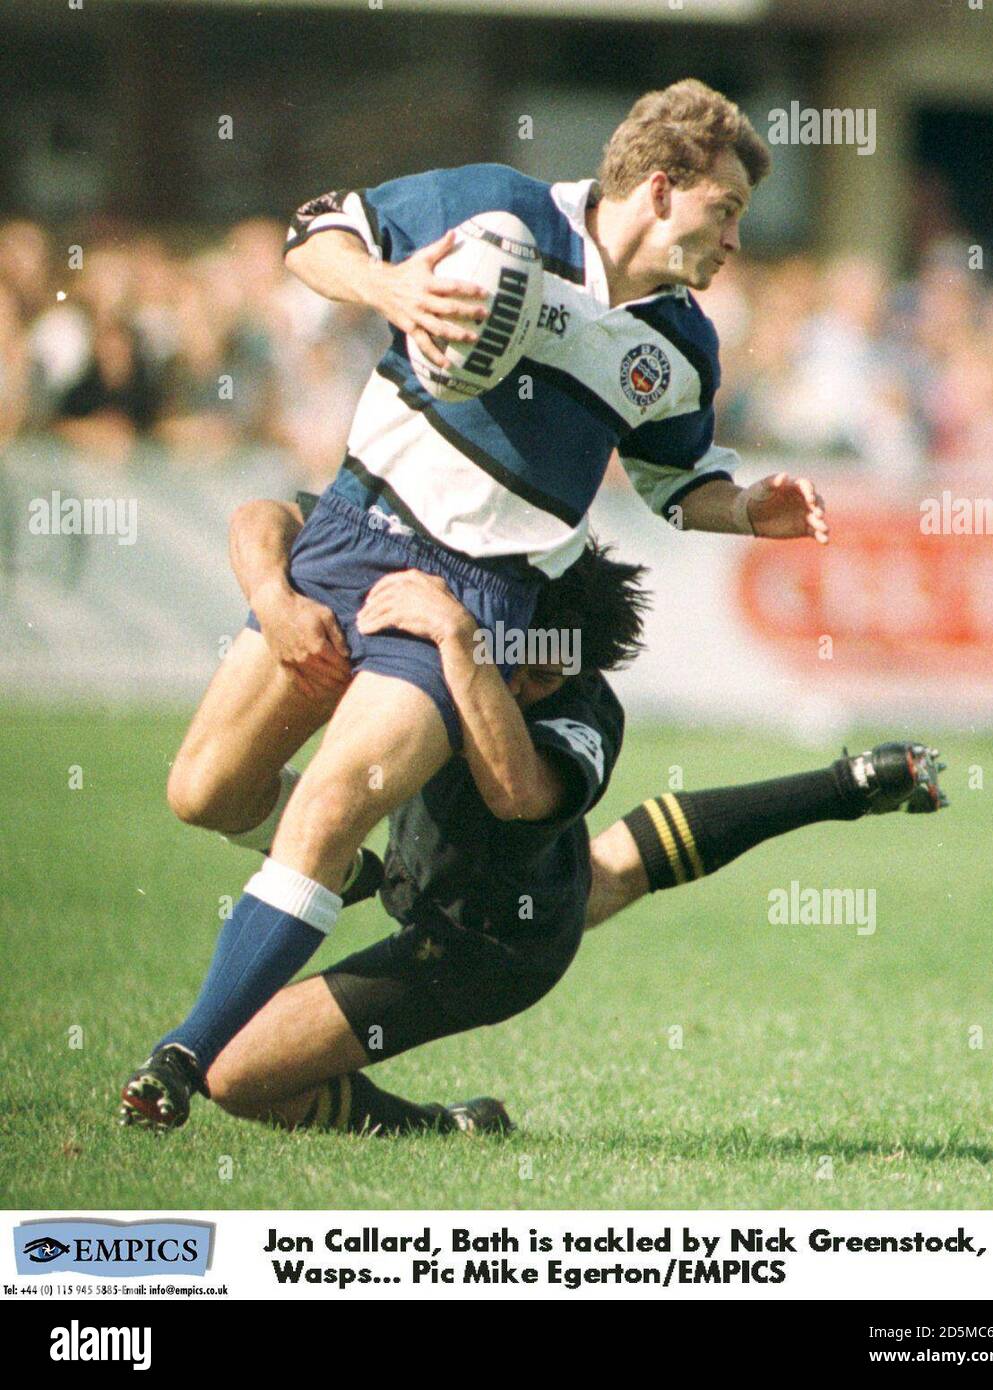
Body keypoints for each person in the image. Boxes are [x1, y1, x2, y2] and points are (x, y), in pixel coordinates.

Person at [120, 79, 830, 1128]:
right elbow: (314, 233)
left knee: (321, 808)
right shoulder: (501, 211)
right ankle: (352, 883)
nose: (734, 240)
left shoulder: (679, 345)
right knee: (206, 790)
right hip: (353, 530)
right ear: (662, 189)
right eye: (724, 212)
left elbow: (677, 484)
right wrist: (391, 289)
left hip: (475, 594)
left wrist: (745, 506)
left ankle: (178, 1058)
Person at [121, 498, 944, 1132]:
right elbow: (264, 517)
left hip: (488, 942)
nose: (530, 685)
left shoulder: (580, 707)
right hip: (486, 873)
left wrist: (460, 643)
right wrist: (273, 597)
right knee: (611, 866)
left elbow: (518, 793)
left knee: (236, 1077)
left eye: (544, 676)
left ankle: (445, 1129)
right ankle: (849, 784)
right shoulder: (446, 580)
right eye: (524, 663)